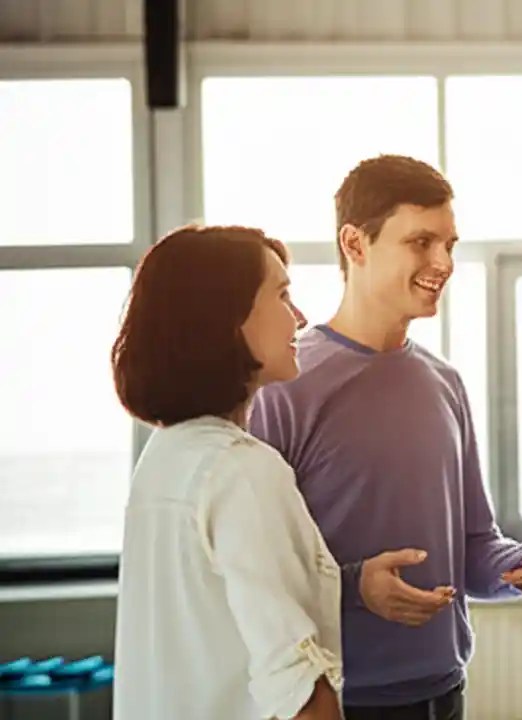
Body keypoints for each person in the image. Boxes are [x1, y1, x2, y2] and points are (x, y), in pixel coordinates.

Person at [249, 154, 522, 720]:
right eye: (421, 242)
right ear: (355, 244)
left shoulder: (445, 382)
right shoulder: (285, 387)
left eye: (449, 243)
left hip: (444, 694)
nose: (443, 262)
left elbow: (474, 549)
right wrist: (356, 588)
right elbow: (255, 574)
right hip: (335, 701)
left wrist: (515, 564)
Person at [111, 225, 341, 720]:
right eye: (282, 295)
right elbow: (299, 687)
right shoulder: (242, 470)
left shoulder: (166, 455)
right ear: (226, 318)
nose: (299, 318)